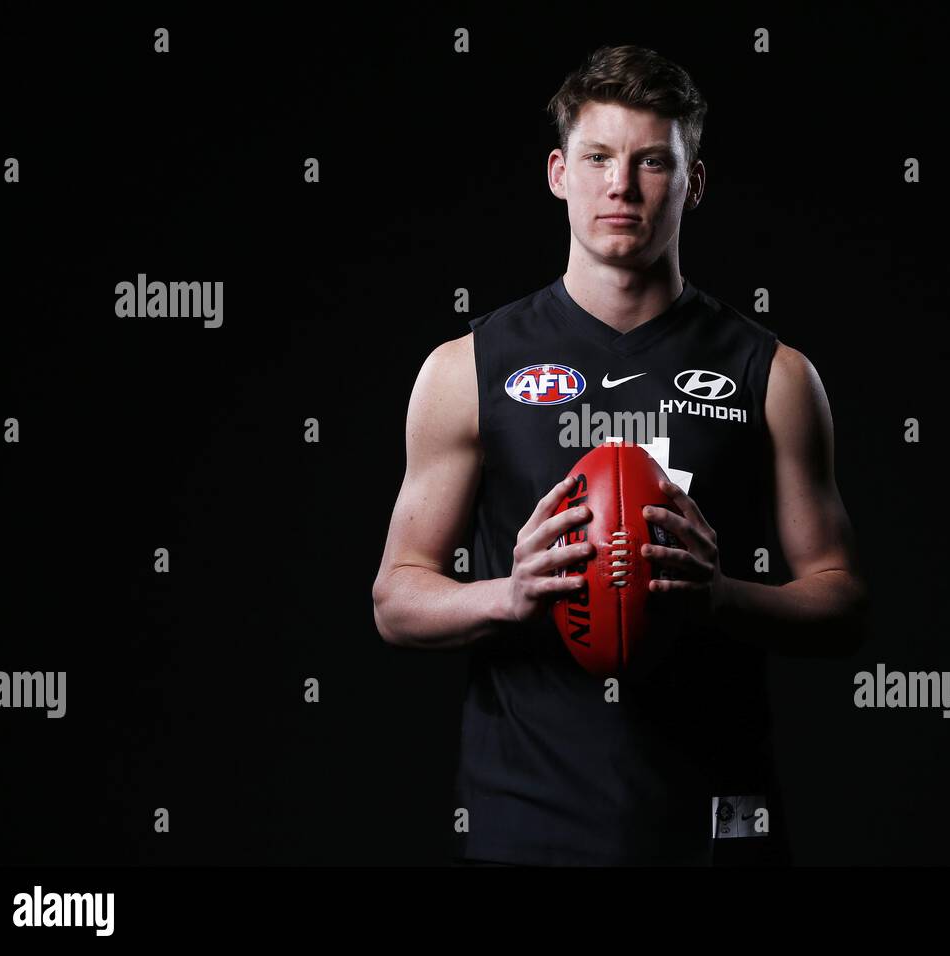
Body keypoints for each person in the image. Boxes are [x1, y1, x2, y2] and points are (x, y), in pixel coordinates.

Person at [371, 44, 868, 866]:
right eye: (599, 158)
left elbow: (842, 600)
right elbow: (397, 599)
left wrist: (721, 596)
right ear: (559, 173)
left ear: (693, 183)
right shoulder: (467, 369)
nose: (621, 186)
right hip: (525, 814)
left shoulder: (772, 373)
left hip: (713, 818)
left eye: (651, 163)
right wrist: (509, 593)